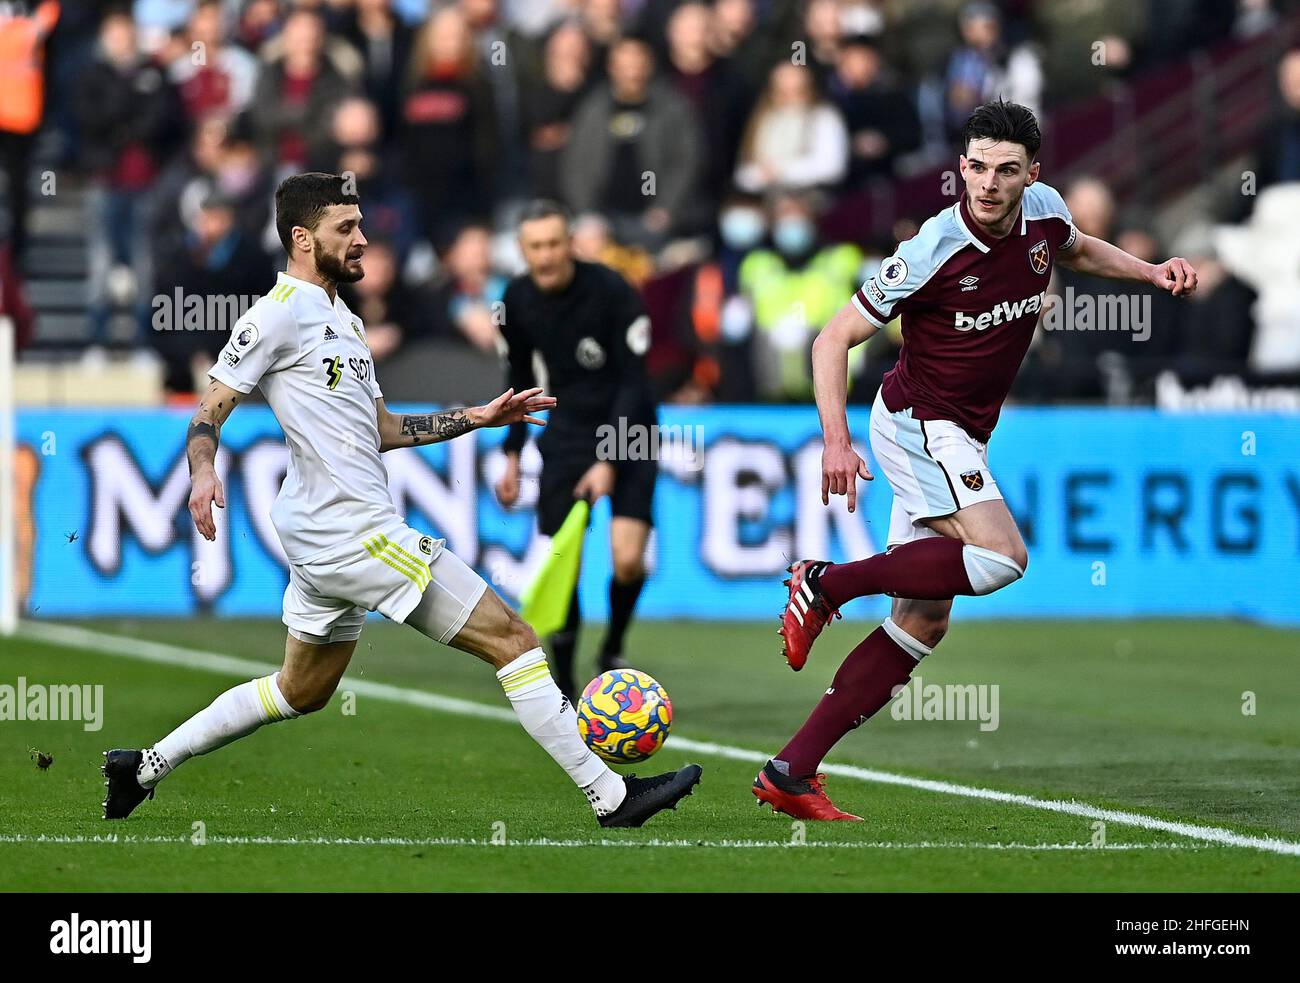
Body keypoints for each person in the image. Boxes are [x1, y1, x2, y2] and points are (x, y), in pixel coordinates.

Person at [102, 173, 701, 829]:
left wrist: (477, 416)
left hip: (323, 537)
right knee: (514, 637)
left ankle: (143, 766)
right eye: (345, 229)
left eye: (360, 226)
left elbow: (384, 429)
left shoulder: (345, 319)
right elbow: (211, 405)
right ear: (303, 239)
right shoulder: (275, 314)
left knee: (298, 689)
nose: (362, 240)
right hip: (352, 531)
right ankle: (611, 796)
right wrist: (202, 470)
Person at [754, 100, 1198, 820]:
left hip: (961, 429)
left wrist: (1150, 273)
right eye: (977, 167)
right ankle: (827, 582)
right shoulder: (933, 248)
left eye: (1006, 170)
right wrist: (836, 439)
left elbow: (1078, 249)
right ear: (959, 167)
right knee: (1003, 558)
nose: (988, 183)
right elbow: (831, 340)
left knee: (924, 621)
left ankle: (791, 770)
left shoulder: (1045, 213)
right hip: (919, 424)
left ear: (1033, 174)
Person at [495, 200, 658, 699]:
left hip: (630, 426)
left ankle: (611, 648)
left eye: (552, 244)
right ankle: (564, 683)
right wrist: (513, 453)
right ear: (523, 250)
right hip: (566, 432)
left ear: (571, 243)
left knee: (628, 559)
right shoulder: (515, 300)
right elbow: (518, 380)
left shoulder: (612, 291)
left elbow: (634, 381)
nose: (544, 256)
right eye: (534, 247)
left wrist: (609, 458)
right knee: (563, 556)